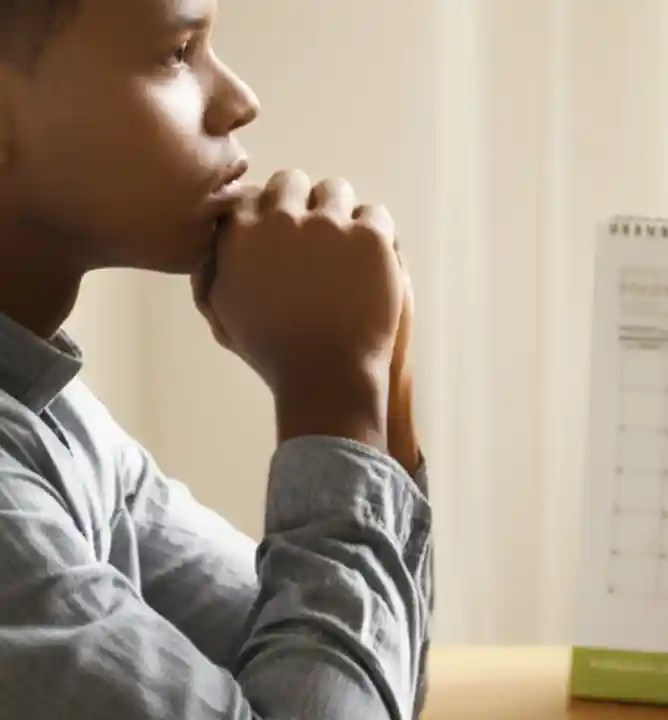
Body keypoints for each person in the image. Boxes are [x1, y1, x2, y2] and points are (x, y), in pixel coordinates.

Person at [0, 0, 433, 718]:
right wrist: (333, 396)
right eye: (177, 52)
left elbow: (370, 687)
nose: (240, 100)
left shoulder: (58, 420)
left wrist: (380, 377)